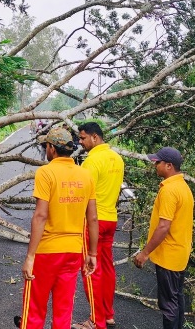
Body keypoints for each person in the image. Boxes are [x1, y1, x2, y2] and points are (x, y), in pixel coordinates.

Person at [16, 127, 99, 329]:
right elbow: (93, 217)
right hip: (72, 251)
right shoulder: (86, 175)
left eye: (46, 146)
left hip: (46, 251)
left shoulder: (46, 173)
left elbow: (41, 215)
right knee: (63, 310)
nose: (46, 149)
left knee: (34, 308)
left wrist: (30, 256)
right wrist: (92, 254)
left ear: (52, 148)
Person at [132, 147, 194, 329]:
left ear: (168, 165)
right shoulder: (183, 187)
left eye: (157, 162)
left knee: (168, 304)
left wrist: (145, 253)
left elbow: (164, 226)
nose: (155, 165)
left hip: (170, 255)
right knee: (176, 298)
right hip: (180, 253)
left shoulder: (170, 191)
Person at [73, 122, 125, 329]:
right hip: (110, 219)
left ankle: (96, 319)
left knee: (90, 268)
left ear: (95, 137)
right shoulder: (117, 159)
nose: (80, 142)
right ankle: (108, 314)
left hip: (92, 222)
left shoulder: (91, 162)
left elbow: (83, 196)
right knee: (106, 267)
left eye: (83, 138)